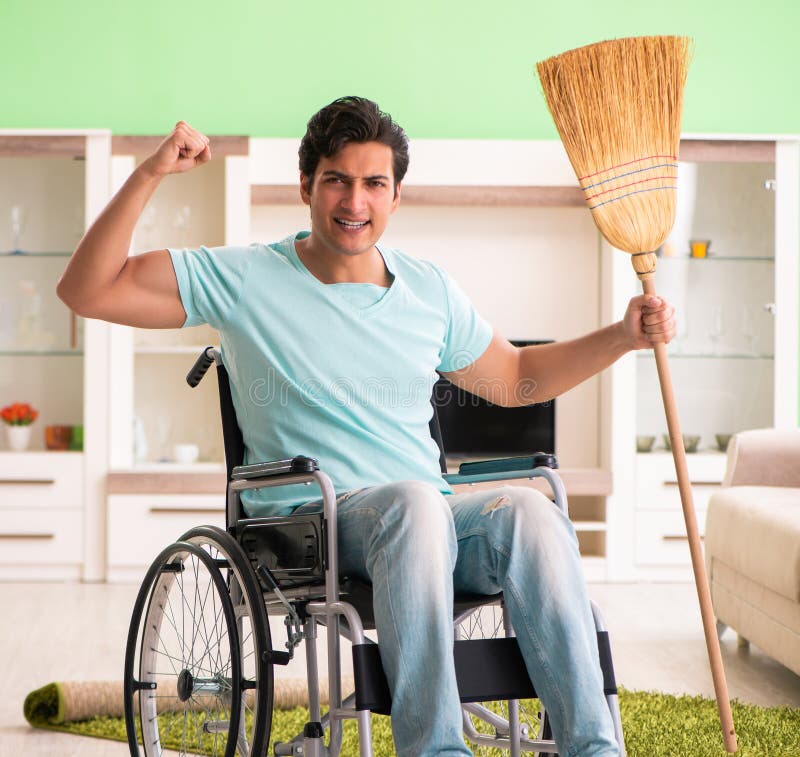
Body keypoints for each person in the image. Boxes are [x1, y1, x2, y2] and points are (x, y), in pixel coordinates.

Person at [57, 96, 675, 757]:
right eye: (338, 180)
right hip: (310, 525)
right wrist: (149, 172)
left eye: (374, 183)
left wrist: (622, 335)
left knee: (530, 507)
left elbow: (518, 376)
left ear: (396, 195)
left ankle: (595, 747)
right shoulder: (242, 277)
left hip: (427, 520)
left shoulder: (428, 289)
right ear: (306, 186)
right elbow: (88, 289)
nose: (356, 201)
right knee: (414, 502)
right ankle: (434, 748)